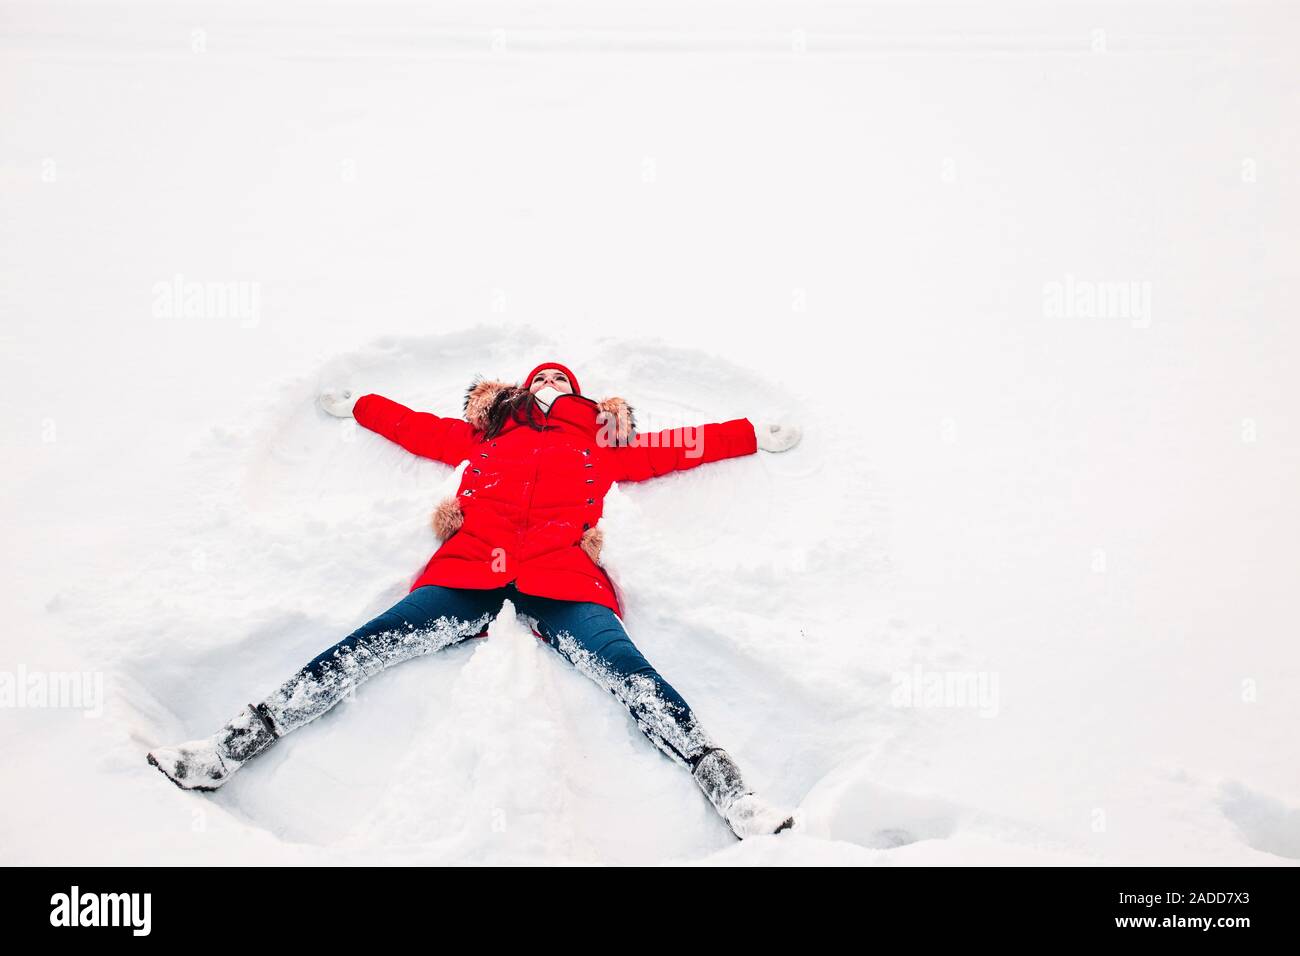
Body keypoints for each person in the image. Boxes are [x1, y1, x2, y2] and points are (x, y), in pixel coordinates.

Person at [147, 361, 804, 839]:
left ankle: (731, 791)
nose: (549, 386)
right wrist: (364, 404)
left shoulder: (597, 444)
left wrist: (751, 432)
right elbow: (416, 430)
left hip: (562, 579)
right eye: (540, 380)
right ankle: (228, 748)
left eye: (560, 381)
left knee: (629, 673)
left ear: (577, 395)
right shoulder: (490, 433)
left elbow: (679, 449)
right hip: (468, 570)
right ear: (521, 390)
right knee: (363, 649)